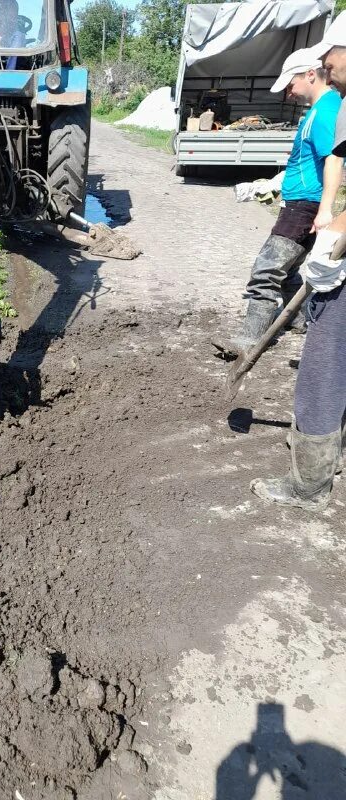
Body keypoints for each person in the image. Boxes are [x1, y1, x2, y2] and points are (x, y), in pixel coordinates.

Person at [251, 13, 346, 511]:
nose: (326, 65)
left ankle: (310, 485)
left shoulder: (333, 101)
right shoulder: (343, 103)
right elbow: (337, 159)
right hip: (330, 221)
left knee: (324, 360)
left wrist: (336, 237)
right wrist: (331, 216)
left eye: (331, 55)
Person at [213, 48, 343, 357]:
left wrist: (325, 209)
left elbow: (334, 160)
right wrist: (276, 184)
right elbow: (309, 160)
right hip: (299, 202)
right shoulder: (318, 110)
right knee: (289, 273)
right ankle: (300, 322)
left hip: (305, 206)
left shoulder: (327, 110)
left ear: (311, 74)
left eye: (291, 85)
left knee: (266, 271)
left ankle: (248, 341)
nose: (288, 94)